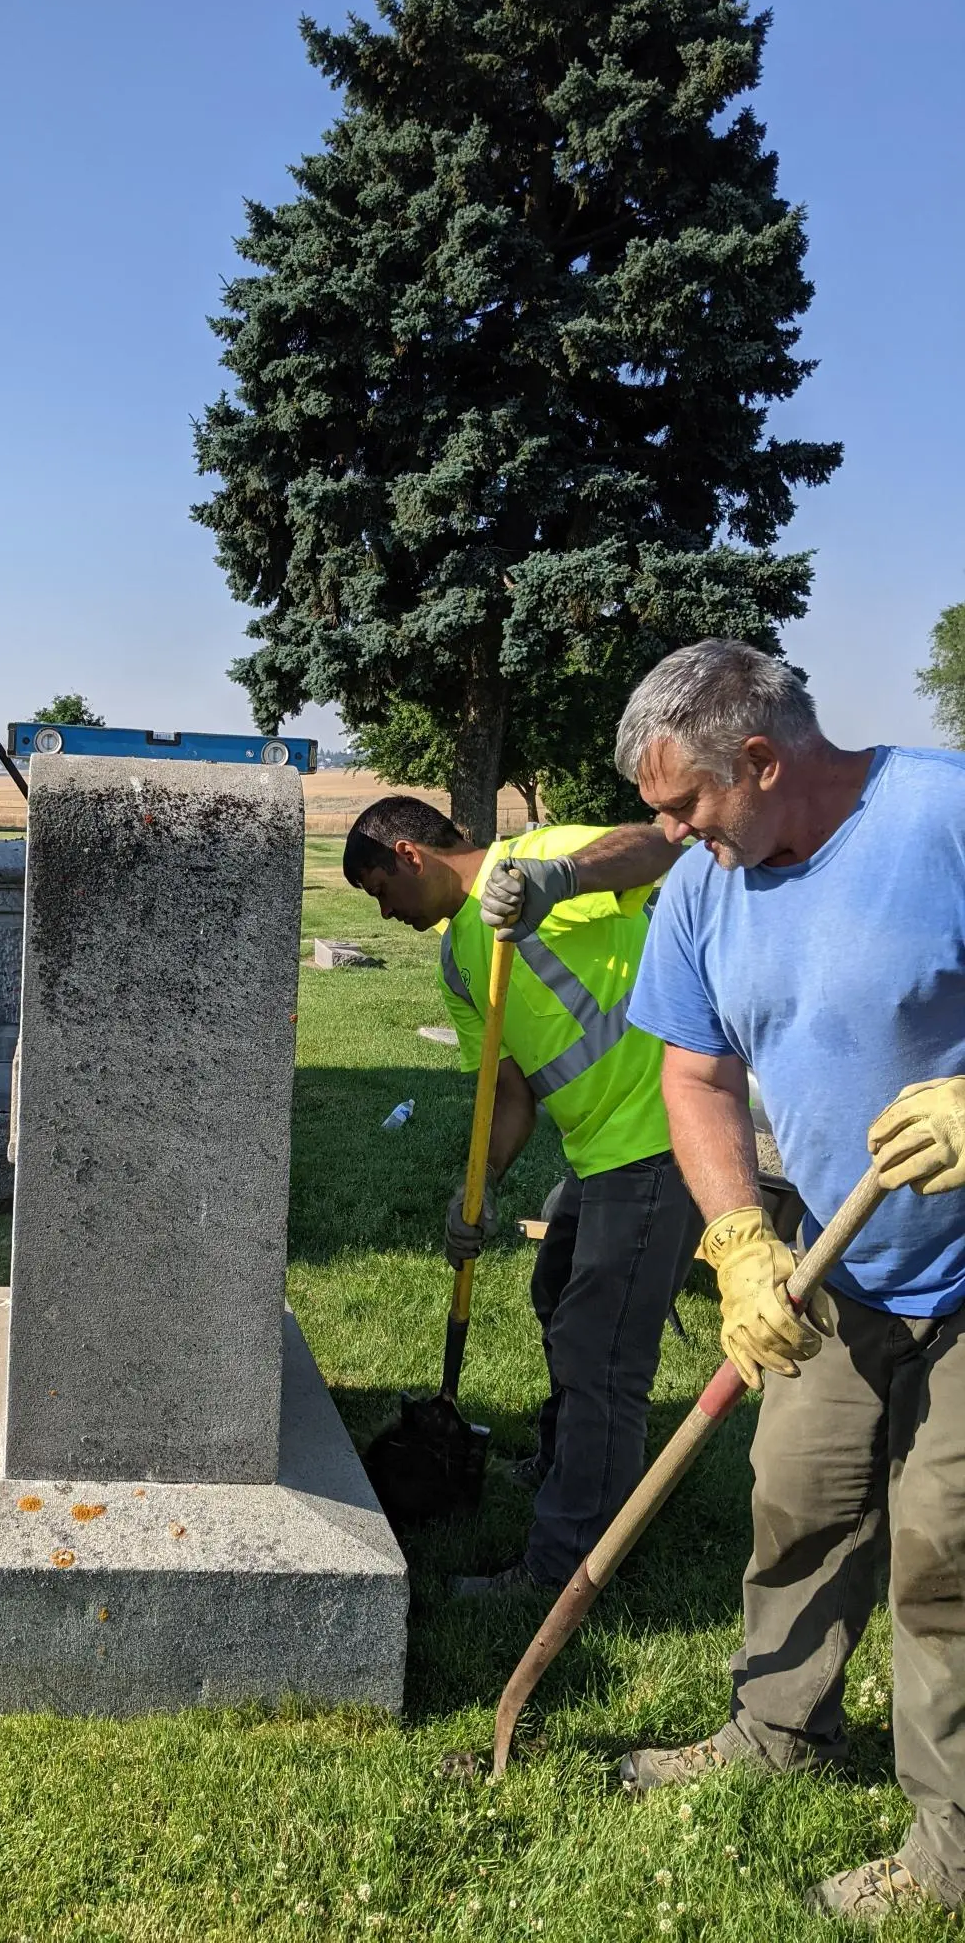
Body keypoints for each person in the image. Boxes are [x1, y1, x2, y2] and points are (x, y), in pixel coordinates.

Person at [615, 637, 965, 1924]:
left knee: (947, 1555)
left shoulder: (944, 819)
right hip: (837, 1263)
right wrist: (737, 1240)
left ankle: (951, 1858)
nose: (670, 833)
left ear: (760, 760)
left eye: (684, 804)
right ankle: (774, 1733)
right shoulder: (705, 887)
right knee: (798, 1503)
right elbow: (696, 1072)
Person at [343, 796, 697, 1593]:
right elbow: (509, 1095)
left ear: (408, 855)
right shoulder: (457, 962)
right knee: (555, 1288)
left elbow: (658, 847)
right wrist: (480, 1189)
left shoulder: (534, 859)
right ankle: (566, 1455)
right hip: (599, 1150)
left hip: (664, 1132)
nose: (386, 913)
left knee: (599, 1354)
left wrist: (557, 880)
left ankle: (564, 1565)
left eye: (380, 892)